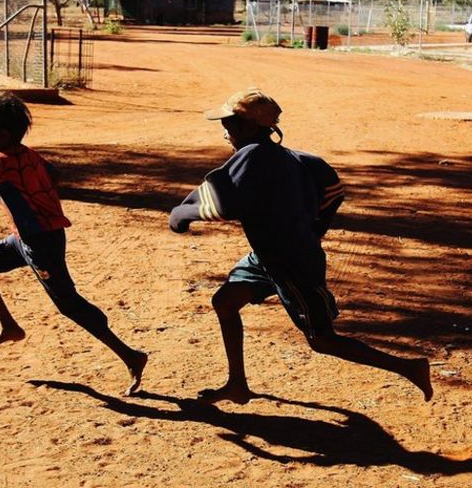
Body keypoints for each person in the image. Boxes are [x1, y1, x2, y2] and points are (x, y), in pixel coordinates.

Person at [169, 88, 432, 405]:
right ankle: (237, 385)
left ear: (249, 126)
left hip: (292, 264)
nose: (226, 132)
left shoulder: (253, 156)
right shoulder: (296, 158)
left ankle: (409, 367)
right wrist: (310, 229)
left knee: (322, 340)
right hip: (269, 257)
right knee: (225, 302)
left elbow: (223, 199)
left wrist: (181, 215)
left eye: (230, 123)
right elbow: (333, 191)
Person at [0, 91, 147, 395]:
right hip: (28, 238)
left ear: (3, 135)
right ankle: (10, 327)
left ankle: (131, 356)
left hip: (41, 245)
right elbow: (54, 174)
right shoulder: (28, 154)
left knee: (69, 304)